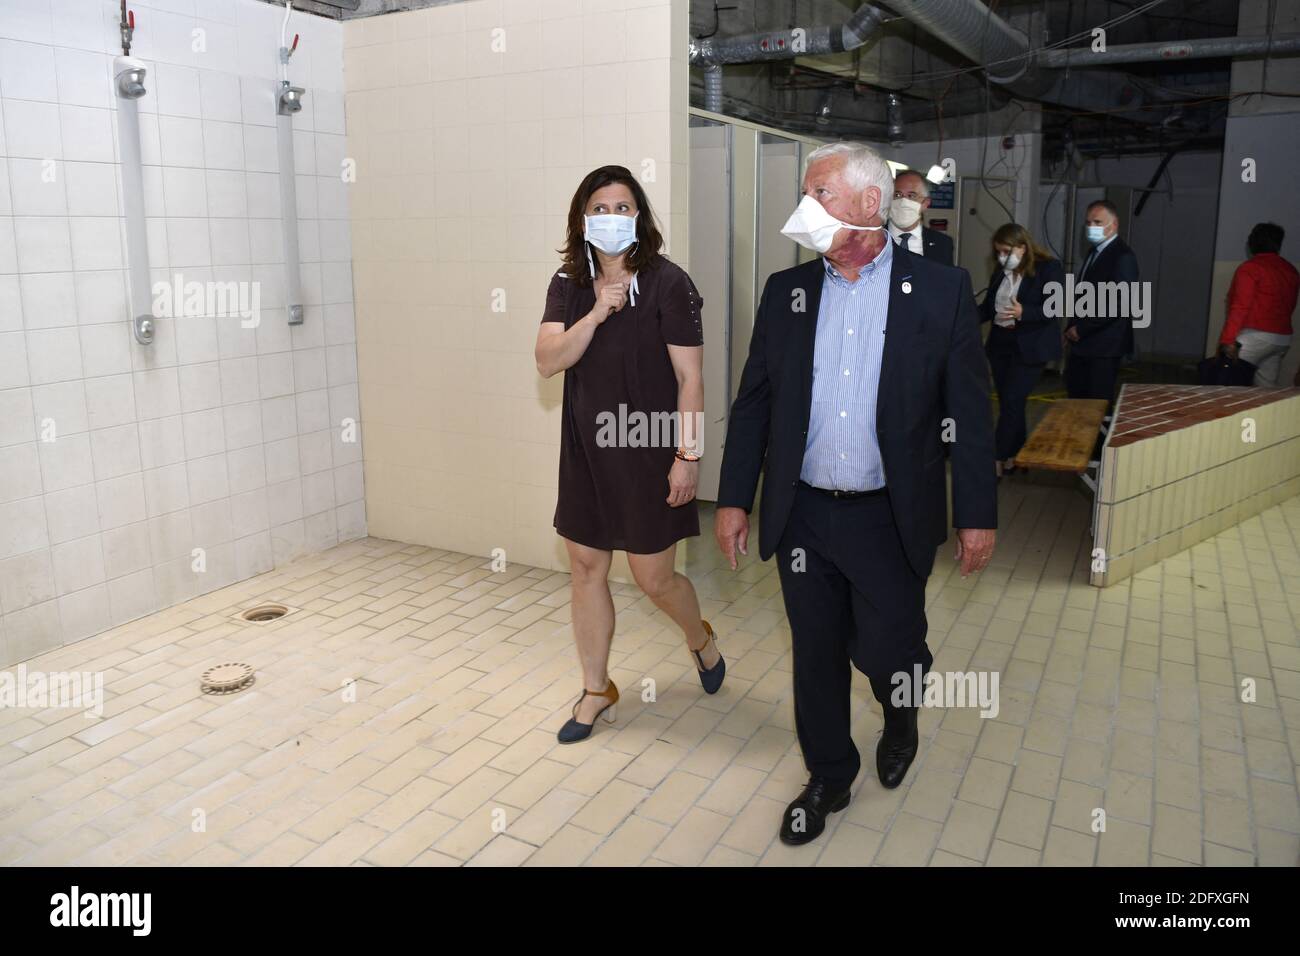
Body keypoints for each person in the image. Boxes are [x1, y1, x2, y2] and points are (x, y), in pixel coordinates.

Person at [714, 142, 997, 847]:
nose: (803, 211)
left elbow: (970, 408)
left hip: (888, 514)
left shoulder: (940, 290)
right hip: (805, 511)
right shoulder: (788, 293)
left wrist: (977, 515)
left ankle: (899, 714)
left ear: (870, 205)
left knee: (889, 649)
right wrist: (732, 498)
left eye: (819, 194)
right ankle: (829, 776)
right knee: (814, 651)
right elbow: (753, 403)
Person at [535, 165, 725, 745]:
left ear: (639, 218)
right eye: (600, 207)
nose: (611, 218)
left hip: (648, 447)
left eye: (623, 207)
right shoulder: (567, 285)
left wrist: (687, 456)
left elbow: (689, 378)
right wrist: (595, 311)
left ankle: (699, 637)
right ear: (581, 218)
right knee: (587, 569)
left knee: (653, 579)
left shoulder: (669, 284)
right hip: (586, 451)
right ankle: (597, 688)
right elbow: (547, 360)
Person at [979, 223, 1064, 477]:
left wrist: (1024, 312)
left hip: (1031, 346)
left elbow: (1054, 308)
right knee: (1009, 402)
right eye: (999, 252)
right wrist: (958, 320)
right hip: (1001, 344)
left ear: (1022, 247)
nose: (1002, 257)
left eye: (1006, 251)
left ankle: (997, 456)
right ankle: (1017, 454)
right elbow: (987, 308)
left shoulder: (1049, 268)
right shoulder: (1000, 271)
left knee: (1013, 399)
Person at [1064, 199, 1139, 407]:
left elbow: (1120, 302)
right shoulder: (1094, 253)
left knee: (1096, 404)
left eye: (1097, 222)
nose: (1091, 228)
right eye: (1088, 223)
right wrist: (1071, 327)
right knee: (1077, 399)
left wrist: (1082, 328)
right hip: (1083, 343)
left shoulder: (1122, 256)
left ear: (1113, 225)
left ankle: (1097, 441)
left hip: (1104, 345)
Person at [1217, 222, 1298, 386]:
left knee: (1226, 387)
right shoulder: (1291, 270)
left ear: (1253, 243)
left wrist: (1227, 339)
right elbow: (1290, 306)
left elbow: (1240, 306)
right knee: (1265, 390)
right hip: (1282, 339)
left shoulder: (1250, 268)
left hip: (1254, 337)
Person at [887, 169, 954, 265]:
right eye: (897, 195)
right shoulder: (871, 238)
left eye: (911, 196)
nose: (903, 202)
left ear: (925, 203)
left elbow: (946, 278)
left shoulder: (942, 243)